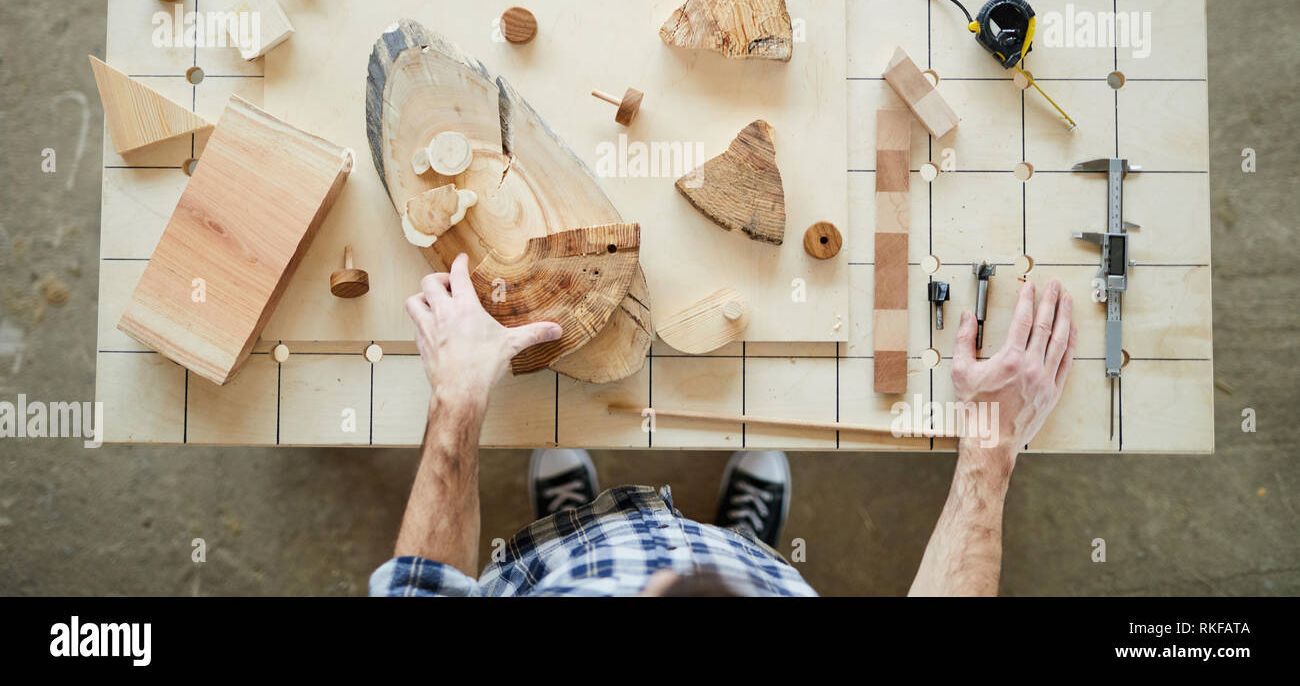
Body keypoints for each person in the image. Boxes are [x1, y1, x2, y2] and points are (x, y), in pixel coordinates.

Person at [369, 253, 1077, 597]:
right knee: (744, 563)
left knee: (565, 548)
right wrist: (989, 449)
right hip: (758, 578)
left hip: (553, 574)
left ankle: (571, 527)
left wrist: (458, 397)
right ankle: (741, 546)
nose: (679, 579)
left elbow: (418, 589)